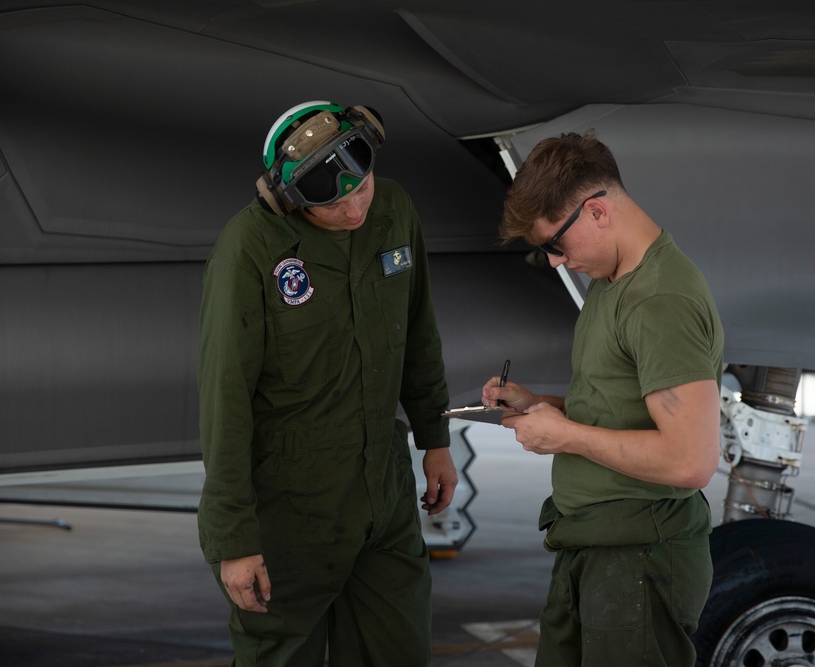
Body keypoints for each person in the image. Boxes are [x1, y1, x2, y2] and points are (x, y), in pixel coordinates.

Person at [197, 100, 458, 667]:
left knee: (399, 651)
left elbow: (418, 332)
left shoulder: (393, 210)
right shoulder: (249, 249)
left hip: (384, 496)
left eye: (361, 187)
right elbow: (225, 401)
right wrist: (234, 541)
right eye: (333, 202)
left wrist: (434, 439)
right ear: (289, 199)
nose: (355, 207)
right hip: (293, 511)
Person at [481, 131, 724, 667]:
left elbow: (691, 461)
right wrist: (538, 405)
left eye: (555, 245)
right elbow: (622, 409)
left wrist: (564, 436)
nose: (554, 262)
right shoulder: (614, 280)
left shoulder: (661, 301)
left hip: (639, 559)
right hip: (597, 550)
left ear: (596, 212)